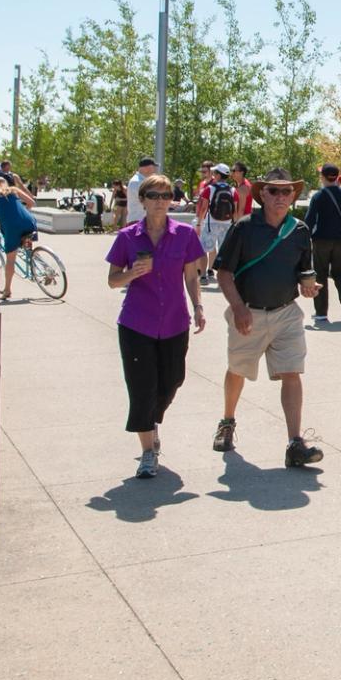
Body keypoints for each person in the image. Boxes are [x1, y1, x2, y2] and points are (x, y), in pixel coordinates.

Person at [211, 168, 322, 467]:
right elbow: (224, 273)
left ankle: (294, 443)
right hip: (249, 312)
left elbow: (303, 272)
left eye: (287, 191)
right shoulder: (244, 227)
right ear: (262, 194)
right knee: (237, 369)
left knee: (292, 372)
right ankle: (227, 422)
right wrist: (238, 308)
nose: (281, 197)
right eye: (274, 191)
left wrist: (308, 287)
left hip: (286, 312)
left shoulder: (299, 230)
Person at [105, 172, 207, 479]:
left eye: (166, 196)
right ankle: (148, 451)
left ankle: (151, 420)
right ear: (142, 200)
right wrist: (132, 273)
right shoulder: (127, 237)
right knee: (141, 388)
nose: (161, 202)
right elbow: (112, 281)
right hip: (137, 322)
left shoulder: (185, 235)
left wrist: (198, 306)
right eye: (154, 196)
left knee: (172, 381)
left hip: (175, 322)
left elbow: (191, 277)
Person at [304, 163, 341, 323]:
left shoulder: (318, 196)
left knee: (320, 275)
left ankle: (321, 313)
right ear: (336, 177)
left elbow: (309, 220)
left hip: (321, 241)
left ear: (323, 177)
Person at [0, 177, 40, 301]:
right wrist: (22, 213)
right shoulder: (13, 190)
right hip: (29, 222)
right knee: (27, 246)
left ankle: (7, 290)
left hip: (11, 227)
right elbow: (31, 202)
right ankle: (42, 268)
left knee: (10, 259)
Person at [197, 163, 239, 281]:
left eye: (215, 173)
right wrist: (235, 225)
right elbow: (234, 210)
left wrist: (199, 223)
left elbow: (204, 208)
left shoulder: (210, 189)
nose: (213, 175)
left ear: (218, 175)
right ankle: (222, 279)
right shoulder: (233, 190)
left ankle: (204, 276)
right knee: (224, 252)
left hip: (212, 223)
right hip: (227, 224)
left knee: (204, 249)